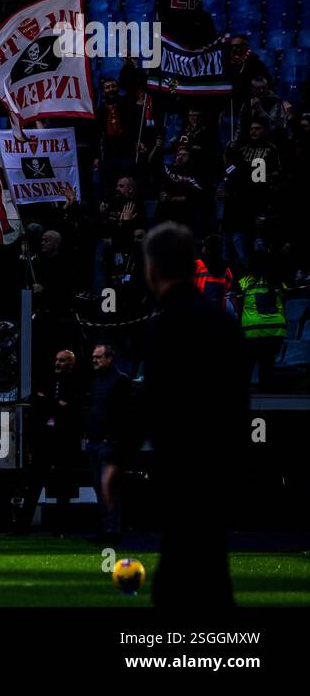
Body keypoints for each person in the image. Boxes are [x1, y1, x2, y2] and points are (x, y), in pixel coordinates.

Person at [101, 223, 248, 608]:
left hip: (182, 462)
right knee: (210, 564)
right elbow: (238, 399)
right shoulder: (225, 322)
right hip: (220, 461)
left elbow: (153, 396)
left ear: (152, 269)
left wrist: (119, 459)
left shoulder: (165, 322)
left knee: (178, 569)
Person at [18, 349, 80, 534]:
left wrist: (48, 403)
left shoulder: (74, 384)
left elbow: (68, 409)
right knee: (34, 484)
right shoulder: (49, 381)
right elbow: (43, 404)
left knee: (63, 486)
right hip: (45, 441)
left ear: (70, 363)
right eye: (56, 359)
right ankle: (22, 526)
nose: (57, 363)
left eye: (62, 360)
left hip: (64, 442)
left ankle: (60, 528)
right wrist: (55, 404)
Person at [82, 345, 133, 539]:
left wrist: (119, 441)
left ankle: (112, 529)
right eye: (93, 357)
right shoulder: (97, 381)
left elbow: (126, 415)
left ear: (110, 358)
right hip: (95, 442)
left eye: (98, 357)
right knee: (99, 487)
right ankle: (107, 528)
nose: (94, 360)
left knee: (108, 488)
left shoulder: (121, 381)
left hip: (109, 442)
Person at [235, 251, 287, 386]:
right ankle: (268, 396)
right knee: (268, 366)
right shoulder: (278, 282)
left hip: (253, 331)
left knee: (246, 368)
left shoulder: (245, 282)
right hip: (276, 331)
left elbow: (237, 305)